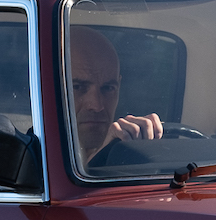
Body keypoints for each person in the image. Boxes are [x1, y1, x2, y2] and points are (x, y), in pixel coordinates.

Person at [69, 26, 163, 164]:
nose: (97, 105)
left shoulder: (128, 151)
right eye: (77, 87)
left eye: (108, 88)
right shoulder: (30, 158)